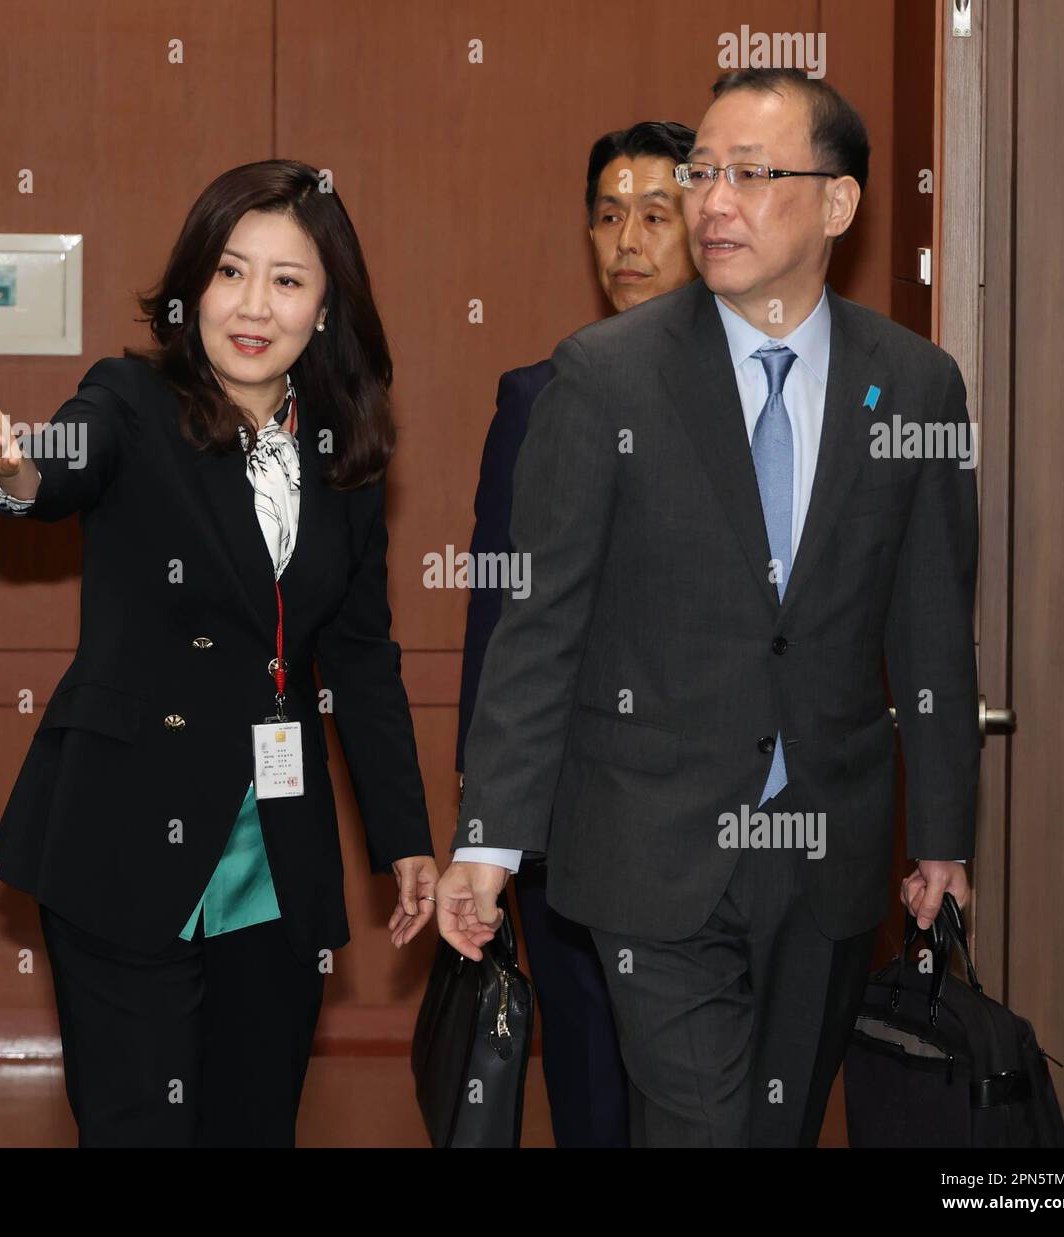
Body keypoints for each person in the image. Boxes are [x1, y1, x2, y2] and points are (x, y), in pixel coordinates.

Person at [439, 68, 978, 1147]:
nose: (712, 202)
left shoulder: (914, 385)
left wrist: (944, 832)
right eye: (703, 174)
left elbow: (930, 622)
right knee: (693, 1126)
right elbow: (539, 625)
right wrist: (490, 842)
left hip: (826, 846)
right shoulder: (605, 376)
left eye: (750, 173)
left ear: (836, 203)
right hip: (649, 846)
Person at [0, 160, 437, 1147]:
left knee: (251, 1124)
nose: (253, 305)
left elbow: (360, 658)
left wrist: (404, 840)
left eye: (287, 279)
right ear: (193, 286)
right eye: (230, 272)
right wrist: (16, 466)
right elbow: (63, 463)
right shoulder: (132, 400)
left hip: (276, 853)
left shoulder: (343, 455)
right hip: (123, 833)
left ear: (325, 306)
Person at [453, 120, 697, 1147]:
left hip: (726, 835)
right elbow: (498, 628)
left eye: (655, 214)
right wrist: (486, 828)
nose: (625, 241)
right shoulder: (537, 397)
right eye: (606, 215)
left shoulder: (780, 395)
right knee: (596, 1099)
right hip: (570, 837)